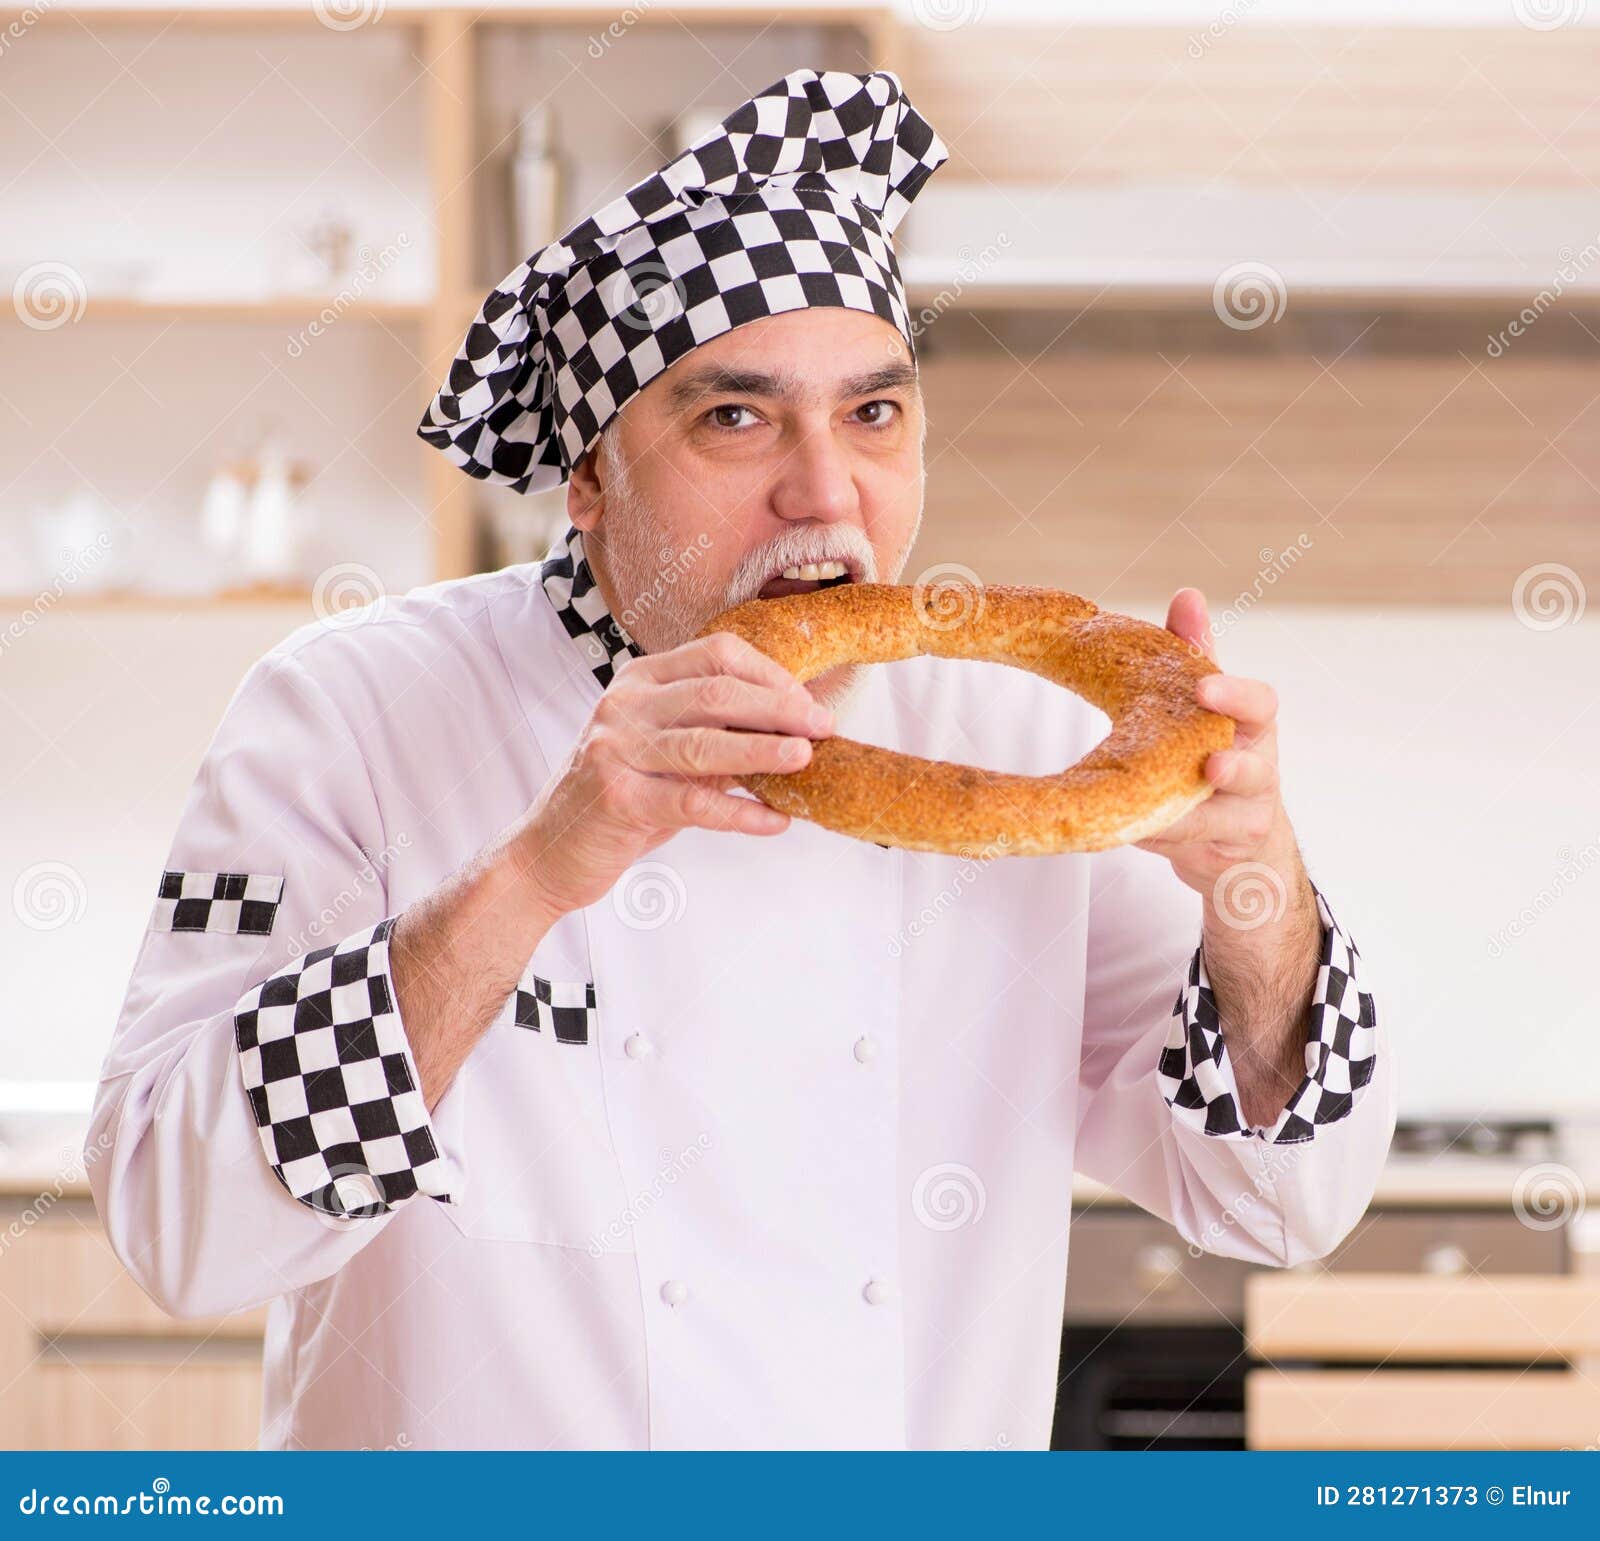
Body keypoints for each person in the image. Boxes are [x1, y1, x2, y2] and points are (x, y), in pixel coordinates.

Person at [90, 69, 1392, 1450]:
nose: (826, 491)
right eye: (736, 418)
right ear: (590, 479)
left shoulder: (1017, 746)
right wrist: (536, 874)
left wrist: (1256, 886)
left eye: (874, 415)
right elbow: (183, 1229)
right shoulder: (351, 710)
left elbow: (1278, 1199)